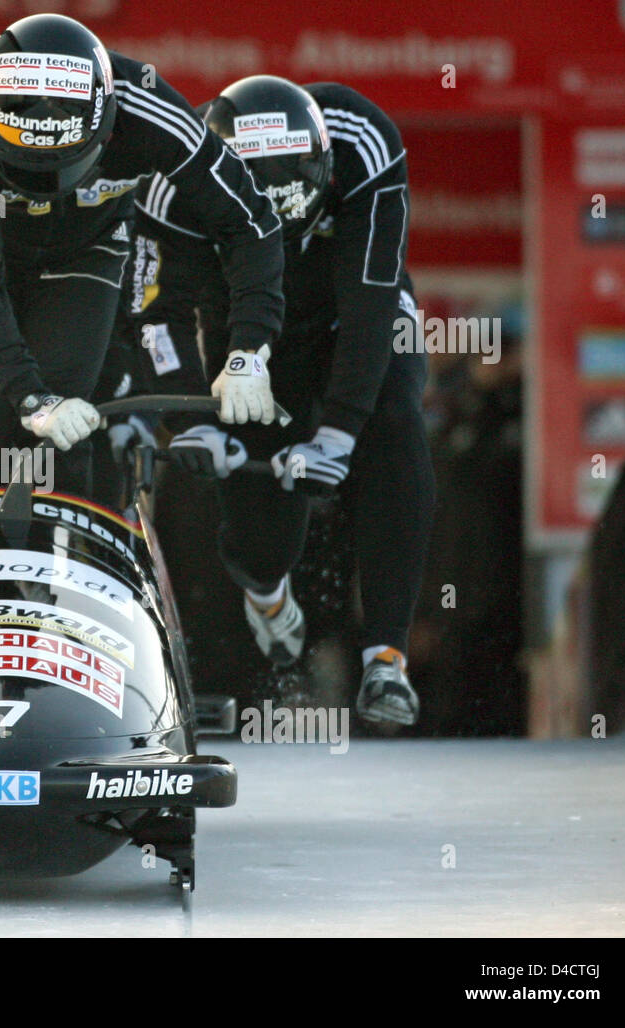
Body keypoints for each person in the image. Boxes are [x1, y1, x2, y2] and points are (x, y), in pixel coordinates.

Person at [126, 75, 434, 728]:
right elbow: (157, 316)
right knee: (260, 522)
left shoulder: (364, 140)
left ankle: (386, 653)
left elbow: (372, 299)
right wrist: (189, 423)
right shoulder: (173, 179)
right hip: (249, 335)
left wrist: (342, 433)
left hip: (343, 309)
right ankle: (266, 593)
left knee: (395, 418)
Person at [0, 13, 284, 499]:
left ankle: (58, 560)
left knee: (63, 434)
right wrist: (30, 398)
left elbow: (250, 219)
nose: (44, 188)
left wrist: (249, 348)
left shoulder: (153, 112)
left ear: (107, 125)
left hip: (86, 252)